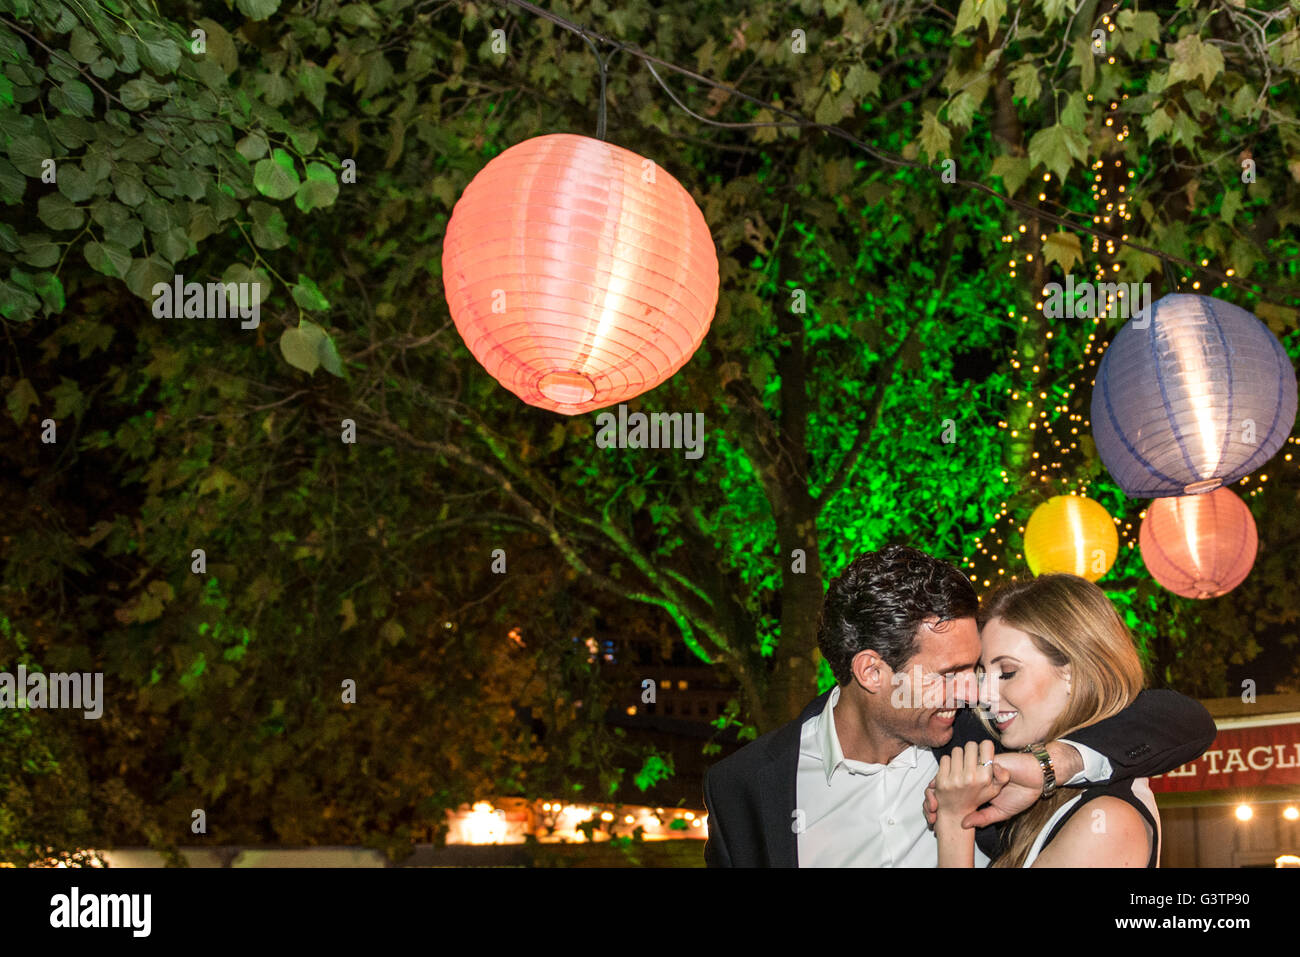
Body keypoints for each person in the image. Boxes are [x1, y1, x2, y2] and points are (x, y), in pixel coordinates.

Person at [702, 545, 1216, 867]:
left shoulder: (986, 737)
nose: (975, 691)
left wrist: (1053, 762)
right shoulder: (743, 786)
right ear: (872, 671)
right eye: (951, 675)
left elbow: (1180, 719)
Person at [932, 573, 1162, 867]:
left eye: (1007, 672)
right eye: (983, 674)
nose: (985, 695)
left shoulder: (1106, 822)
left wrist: (955, 819)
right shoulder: (1054, 794)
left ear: (1071, 672)